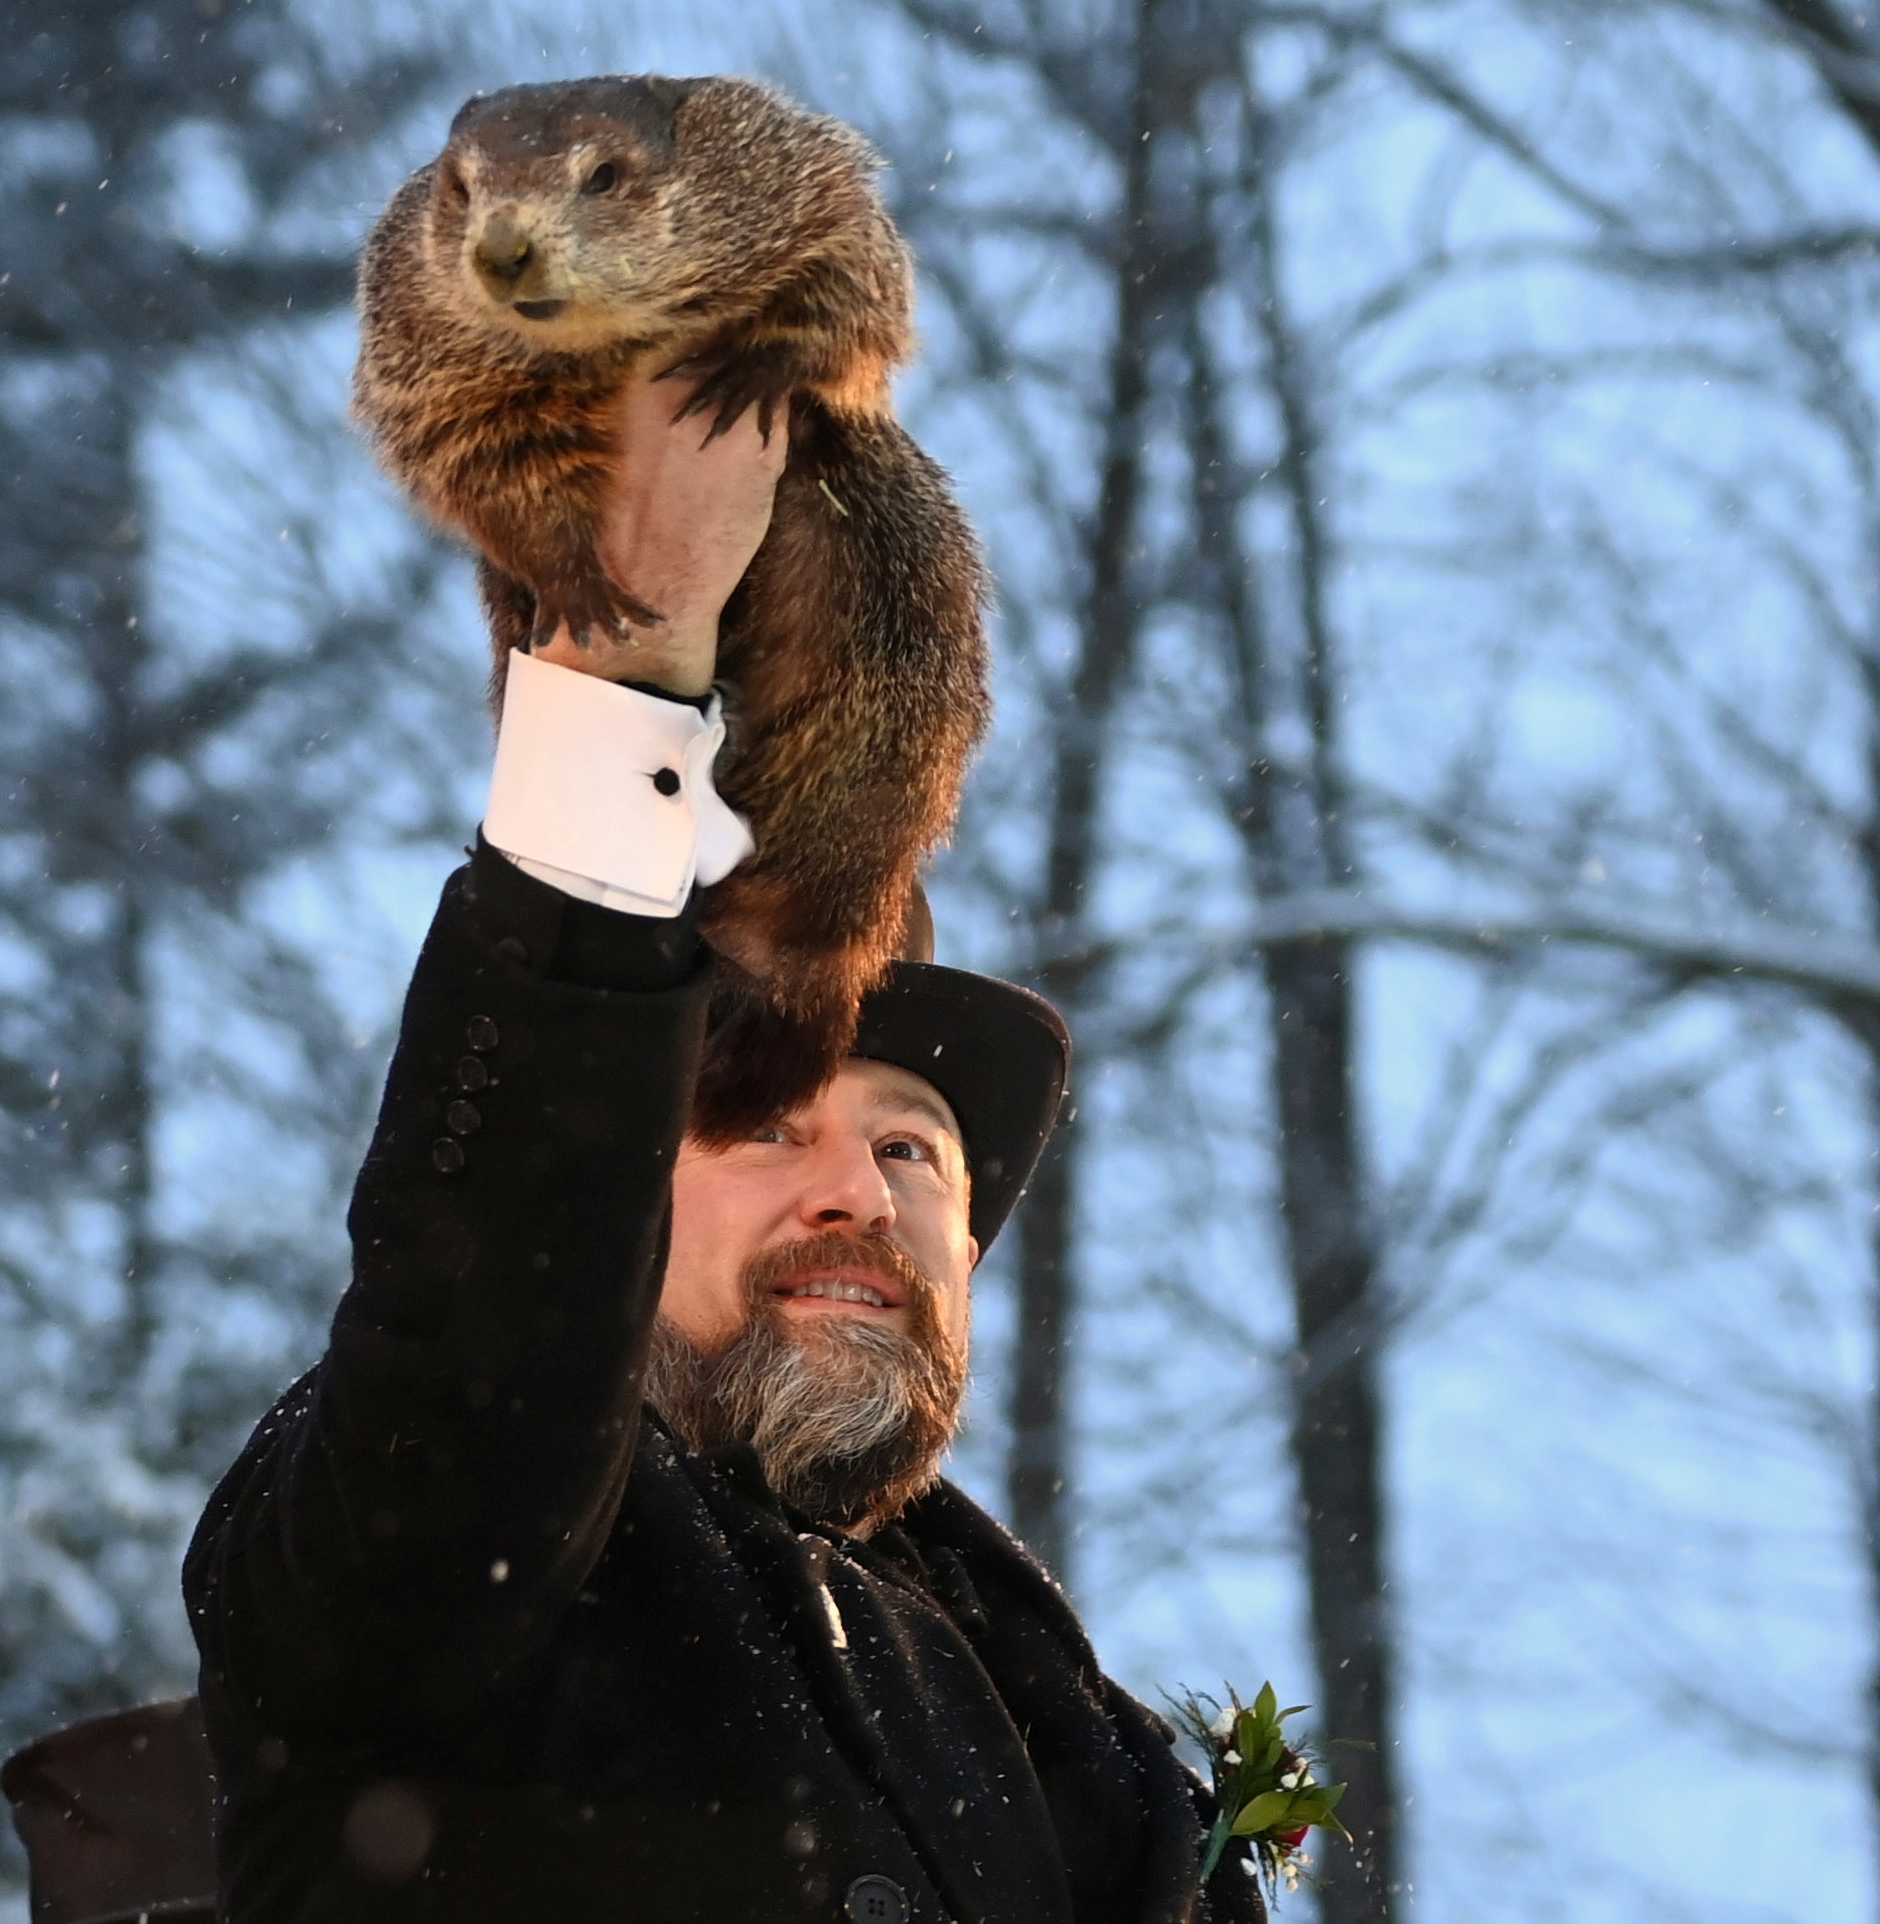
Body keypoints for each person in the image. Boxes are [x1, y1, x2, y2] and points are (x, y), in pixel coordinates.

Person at [179, 367, 1263, 1924]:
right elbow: (488, 1306)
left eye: (912, 1154)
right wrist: (621, 682)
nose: (856, 1194)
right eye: (761, 1124)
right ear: (614, 1192)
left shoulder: (1075, 1738)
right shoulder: (434, 1540)